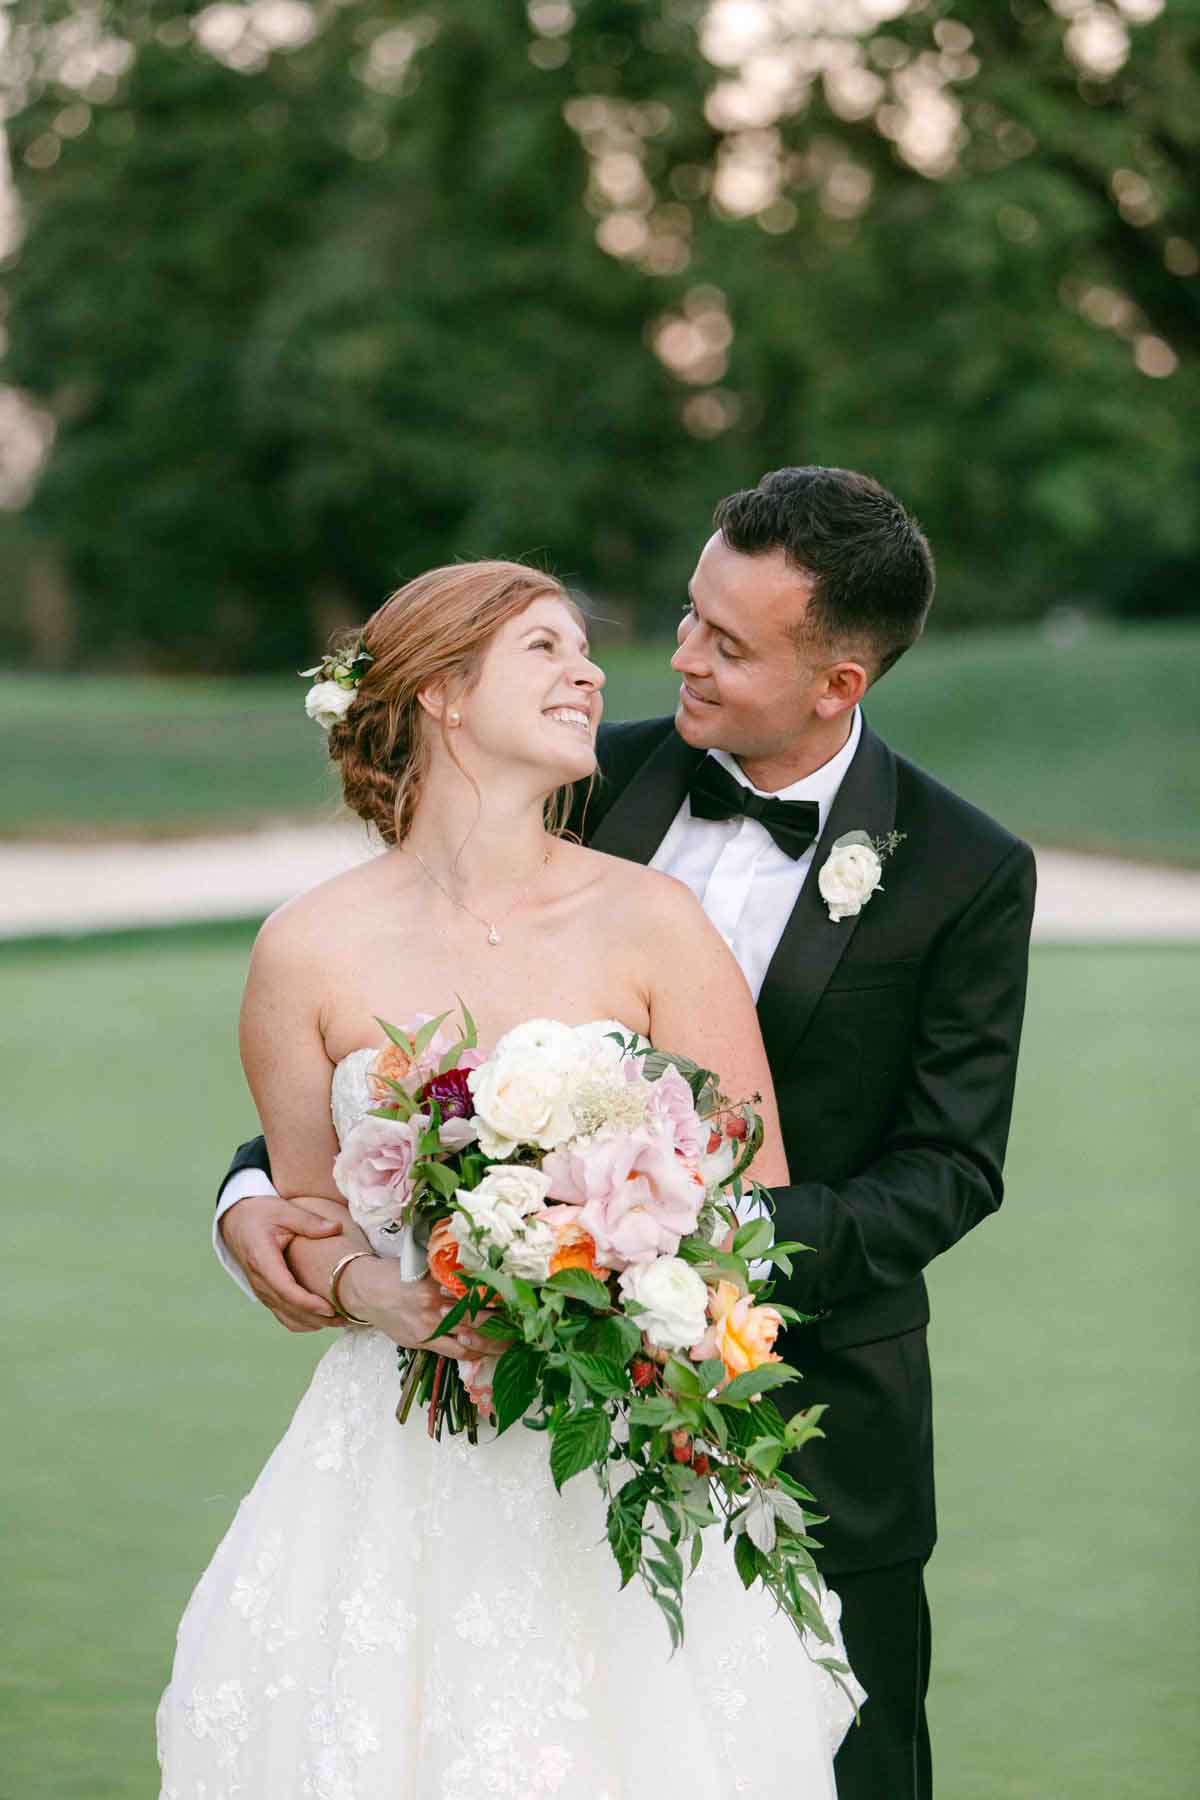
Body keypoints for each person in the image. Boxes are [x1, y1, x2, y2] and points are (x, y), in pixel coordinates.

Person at [217, 468, 1037, 1800]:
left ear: (837, 682)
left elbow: (950, 1168)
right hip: (464, 1433)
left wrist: (638, 1255)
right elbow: (406, 1070)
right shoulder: (578, 777)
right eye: (689, 613)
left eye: (731, 642)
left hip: (811, 1417)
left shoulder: (964, 866)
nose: (680, 656)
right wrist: (260, 1204)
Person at [157, 559, 861, 1798]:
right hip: (399, 1467)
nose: (590, 671)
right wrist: (372, 1290)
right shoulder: (303, 949)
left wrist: (615, 1275)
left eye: (585, 651)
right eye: (545, 648)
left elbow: (752, 1208)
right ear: (438, 690)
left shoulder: (656, 922)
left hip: (621, 1458)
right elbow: (309, 1219)